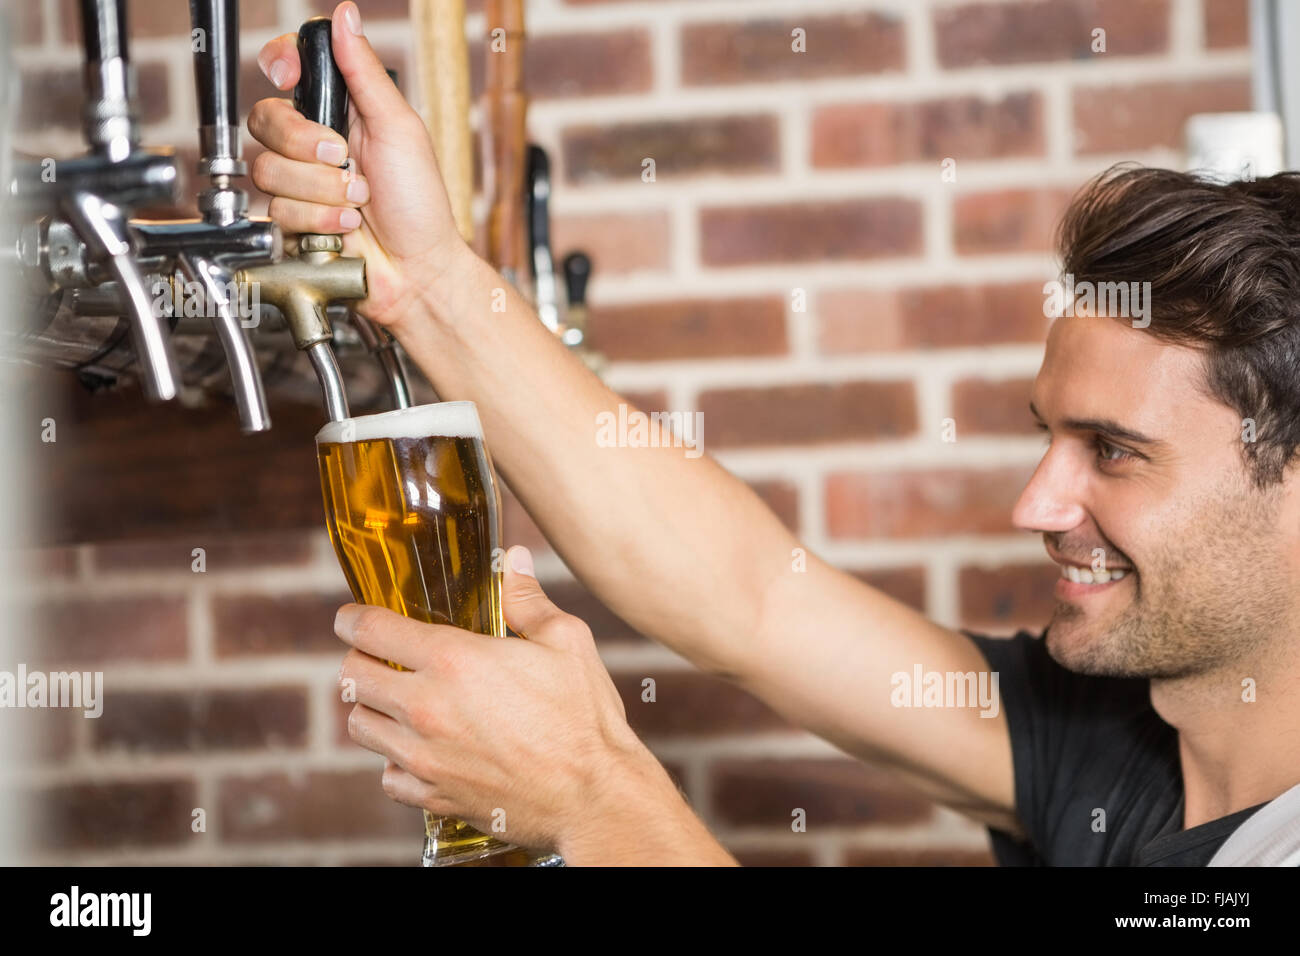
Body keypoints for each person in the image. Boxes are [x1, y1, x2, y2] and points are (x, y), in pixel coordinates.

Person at [248, 2, 1300, 865]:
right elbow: (750, 594)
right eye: (1050, 437)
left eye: (1113, 450)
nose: (1034, 503)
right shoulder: (1132, 738)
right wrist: (428, 284)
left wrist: (594, 797)